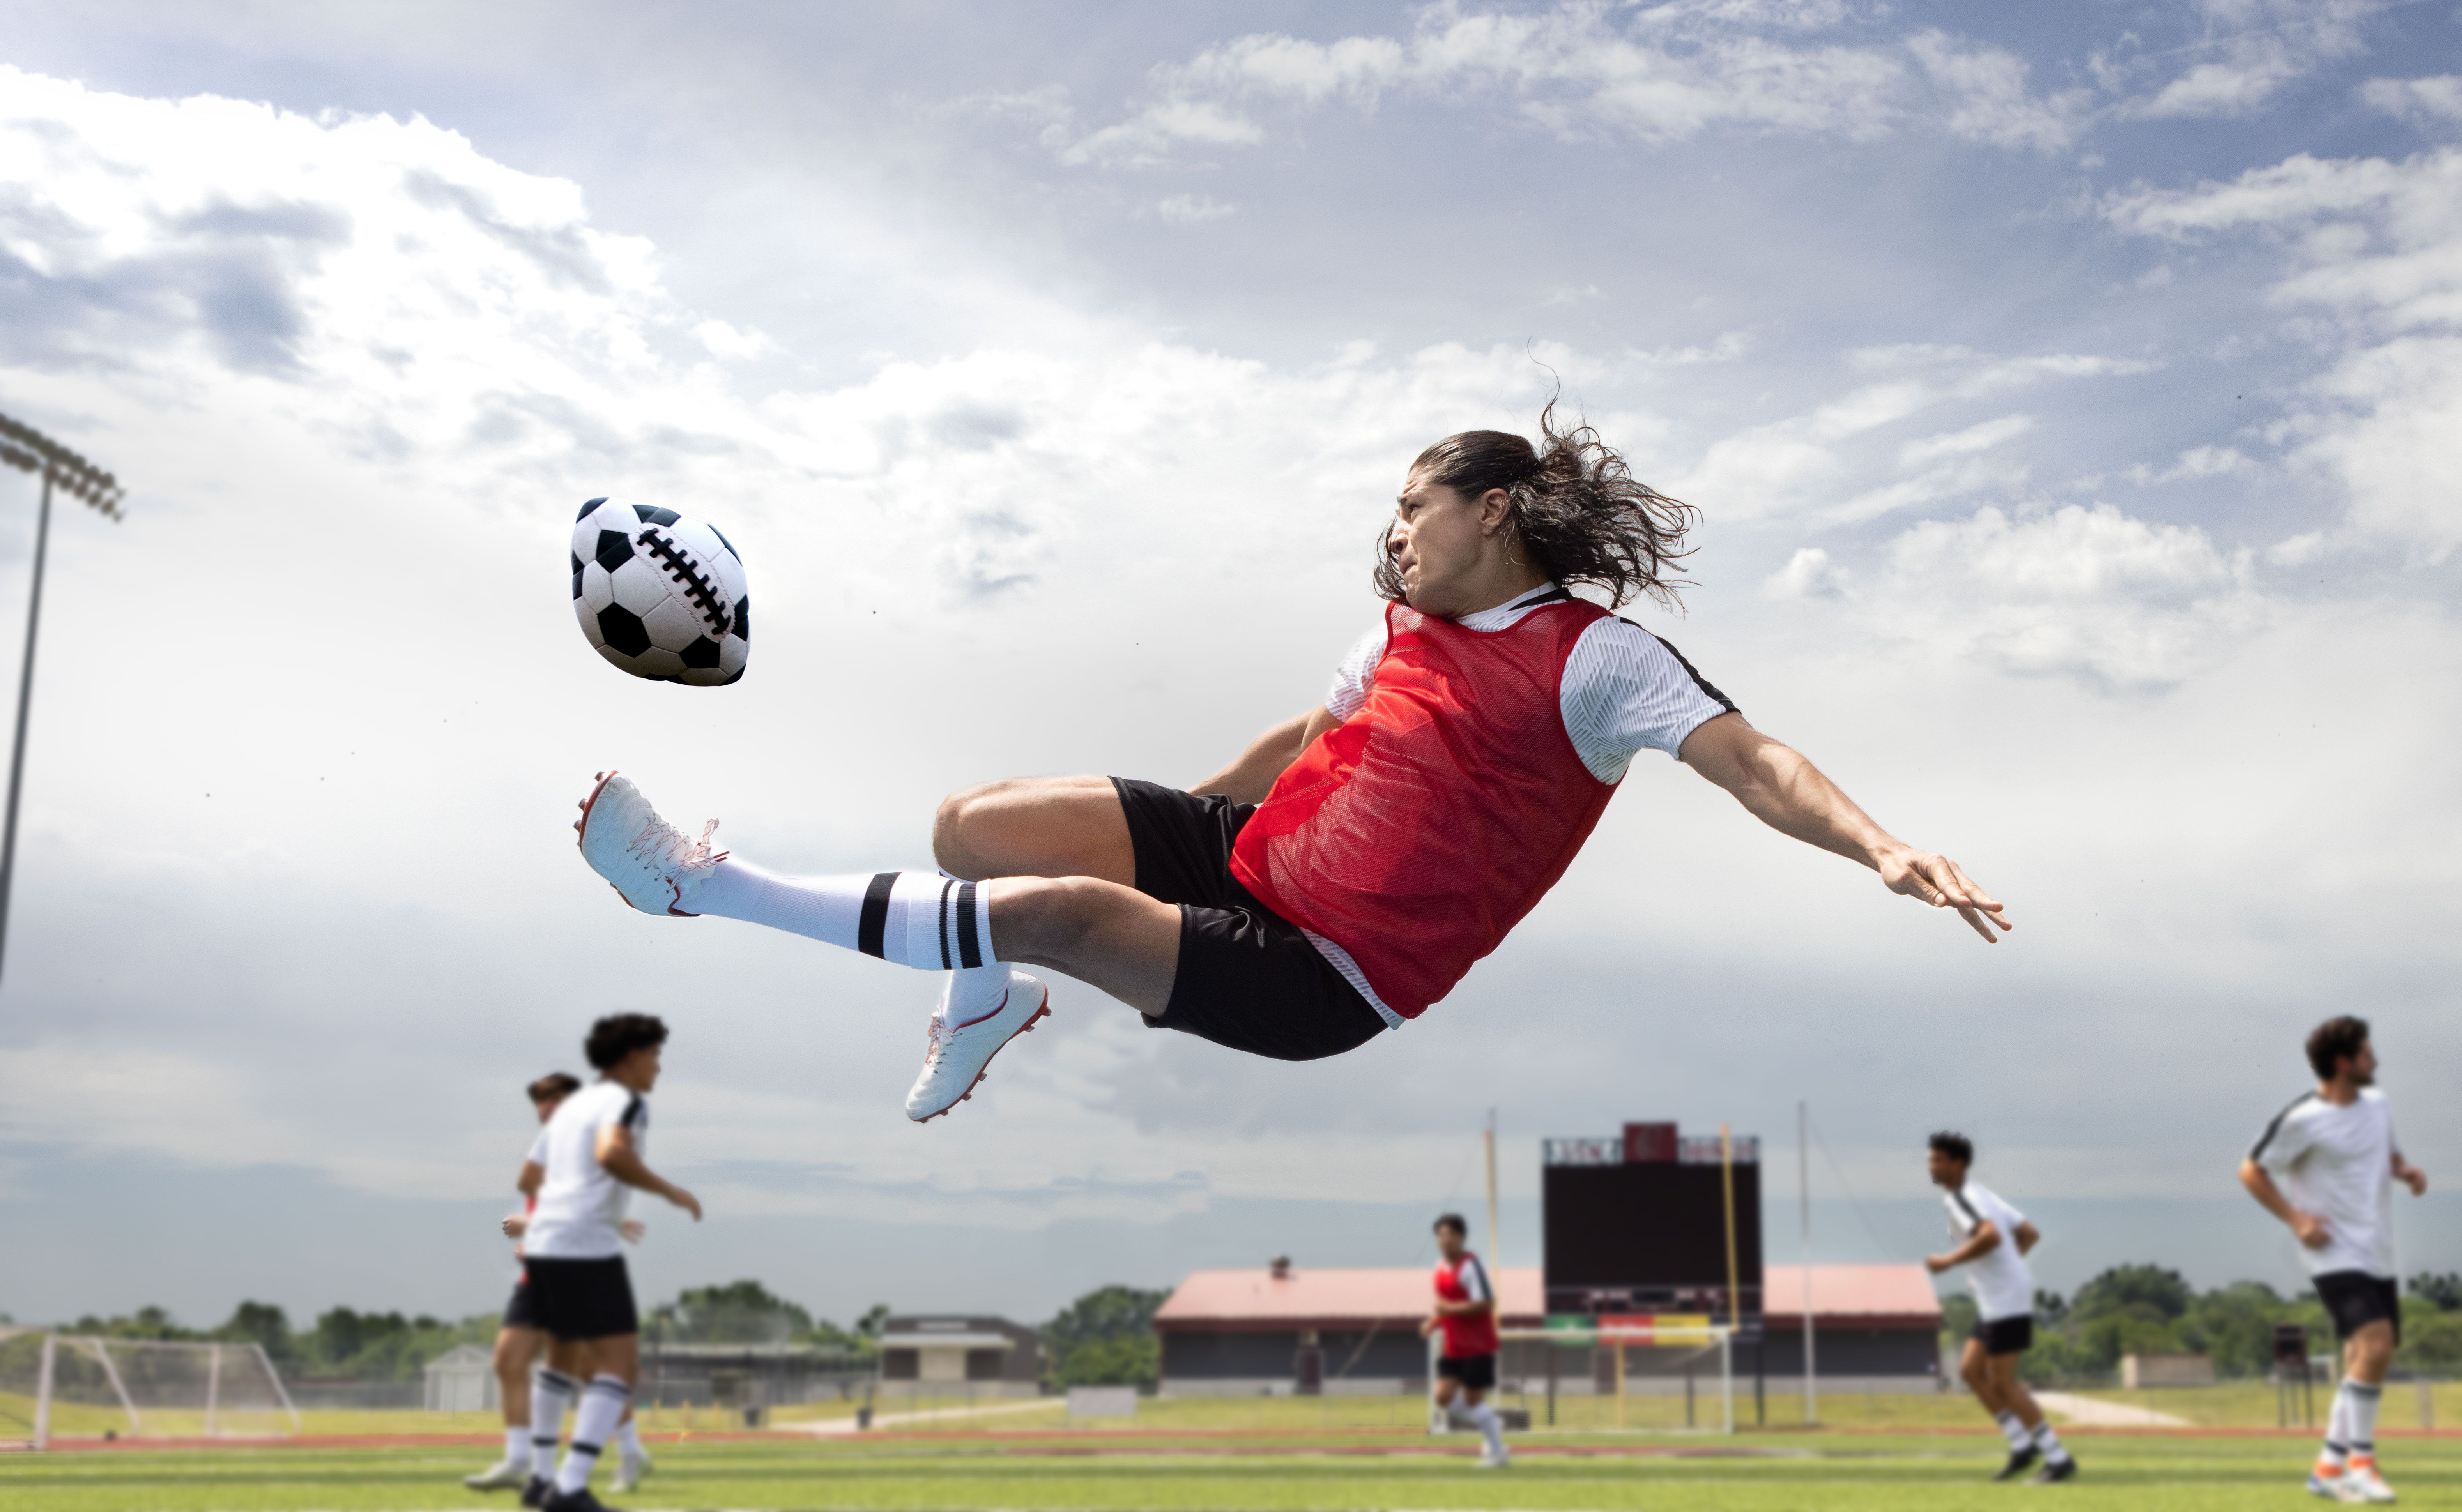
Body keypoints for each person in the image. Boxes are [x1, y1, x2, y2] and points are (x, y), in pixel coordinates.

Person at [573, 408, 2011, 1122]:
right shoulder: (1398, 622)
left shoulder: (1593, 657)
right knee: (974, 827)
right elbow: (1313, 742)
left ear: (1489, 509)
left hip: (1332, 968)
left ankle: (705, 887)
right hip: (1252, 851)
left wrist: (1881, 844)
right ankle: (984, 999)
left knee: (1061, 913)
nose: (1391, 533)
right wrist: (1183, 820)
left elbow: (1758, 758)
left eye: (1410, 508)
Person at [517, 1014, 702, 1512]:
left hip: (548, 1244)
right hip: (585, 1247)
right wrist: (671, 1191)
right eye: (655, 1056)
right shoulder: (624, 1101)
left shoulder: (575, 1106)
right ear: (631, 1057)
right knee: (619, 1365)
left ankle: (540, 1480)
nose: (658, 1068)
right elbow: (612, 1153)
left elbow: (531, 1175)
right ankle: (571, 1487)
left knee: (560, 1360)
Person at [2239, 1016, 2426, 1505]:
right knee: (2377, 1344)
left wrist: (2406, 1172)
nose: (2376, 1061)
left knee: (2361, 1358)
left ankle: (2327, 1468)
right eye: (2367, 1054)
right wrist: (2296, 1218)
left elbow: (2386, 1156)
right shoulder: (2302, 1120)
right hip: (2332, 1253)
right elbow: (2251, 1170)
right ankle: (2361, 1464)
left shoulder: (2379, 1105)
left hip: (2379, 1251)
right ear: (2343, 1064)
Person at [1922, 1131, 2075, 1483]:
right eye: (1931, 1160)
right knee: (1971, 1371)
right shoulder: (1979, 1195)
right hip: (1998, 1296)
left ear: (1957, 1164)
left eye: (1938, 1160)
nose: (1931, 1167)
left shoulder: (1963, 1199)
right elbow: (2029, 1233)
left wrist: (1949, 1262)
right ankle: (2022, 1447)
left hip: (2006, 1298)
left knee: (2004, 1383)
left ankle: (2057, 1457)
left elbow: (1990, 1236)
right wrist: (2005, 1269)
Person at [1421, 1213, 1508, 1468]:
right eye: (1441, 1235)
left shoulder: (1471, 1266)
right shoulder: (1439, 1268)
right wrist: (1434, 1322)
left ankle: (1498, 1452)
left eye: (1451, 1234)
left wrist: (1448, 1311)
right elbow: (1444, 1307)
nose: (1446, 1240)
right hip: (1453, 1346)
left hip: (1478, 1346)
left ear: (1462, 1238)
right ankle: (1489, 1421)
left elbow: (1487, 1304)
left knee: (1472, 1401)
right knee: (1442, 1397)